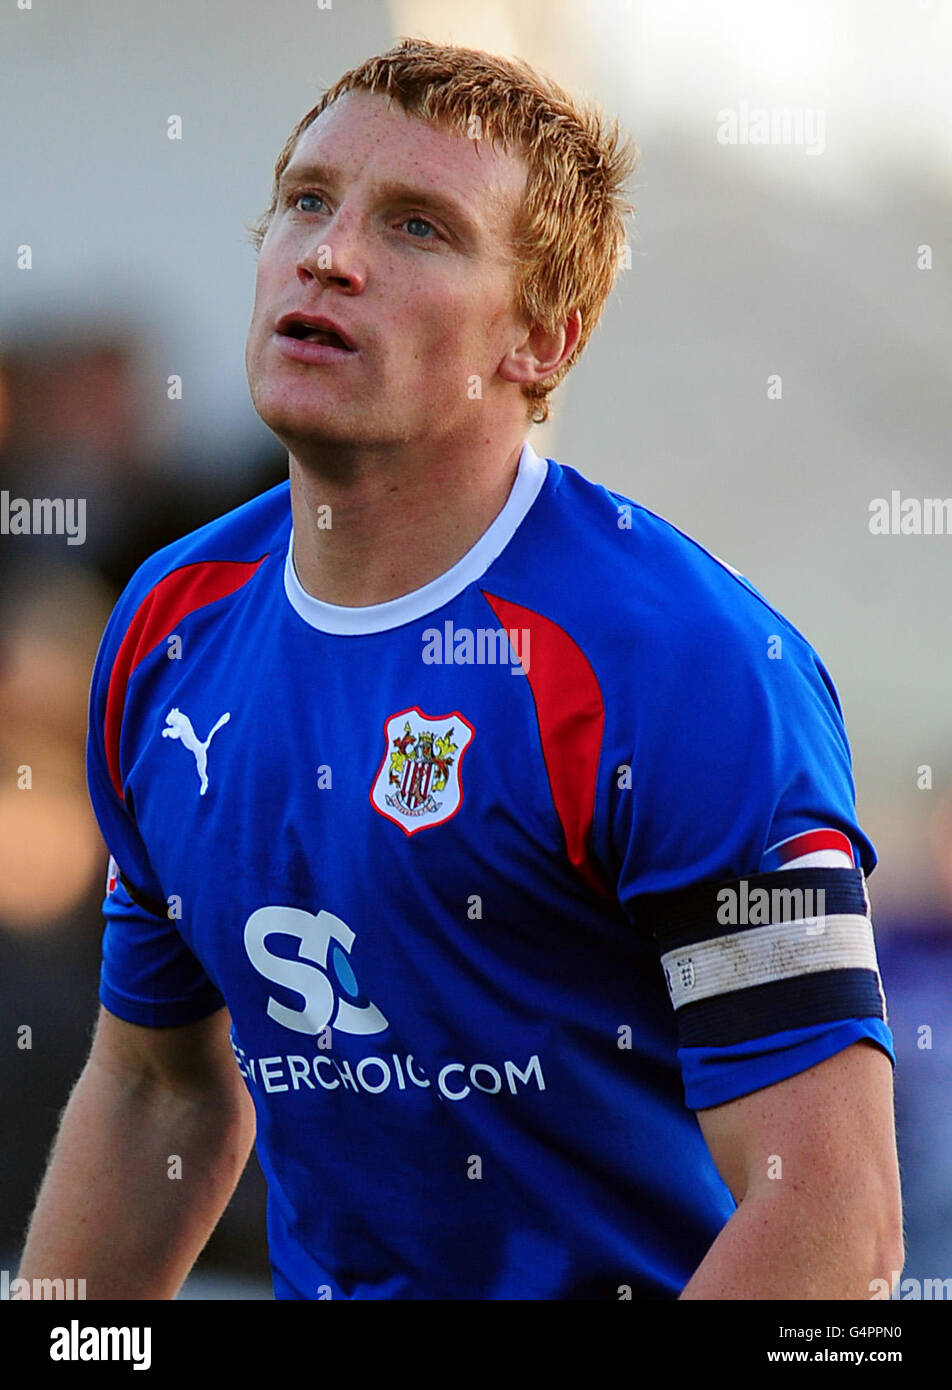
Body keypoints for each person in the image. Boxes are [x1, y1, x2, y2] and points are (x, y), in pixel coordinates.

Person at [20, 37, 902, 1300]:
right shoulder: (171, 626)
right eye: (308, 201)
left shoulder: (684, 668)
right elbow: (158, 1091)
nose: (330, 253)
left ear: (542, 338)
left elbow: (832, 1220)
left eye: (420, 227)